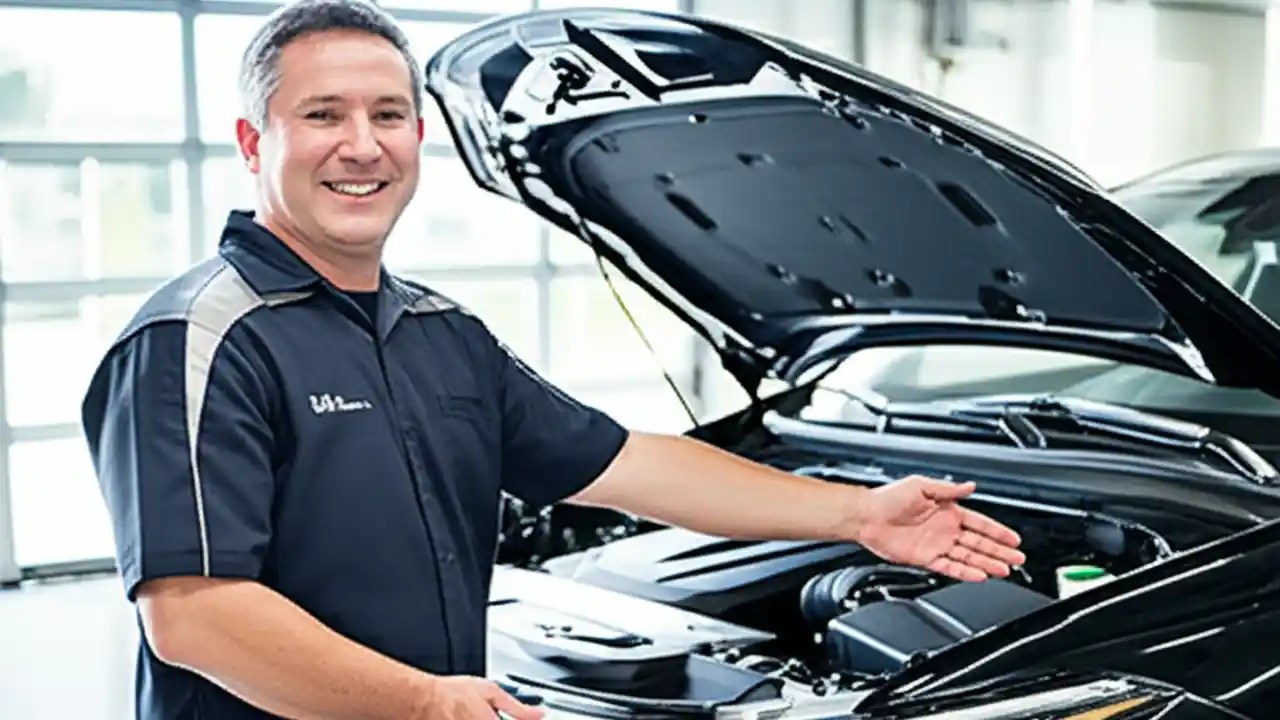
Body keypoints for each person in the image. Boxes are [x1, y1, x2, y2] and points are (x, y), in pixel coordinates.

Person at [79, 1, 1026, 718]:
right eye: (322, 115)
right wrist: (425, 702)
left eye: (390, 115)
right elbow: (194, 612)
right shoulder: (198, 339)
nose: (362, 146)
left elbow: (624, 463)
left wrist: (857, 514)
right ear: (256, 141)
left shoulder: (439, 332)